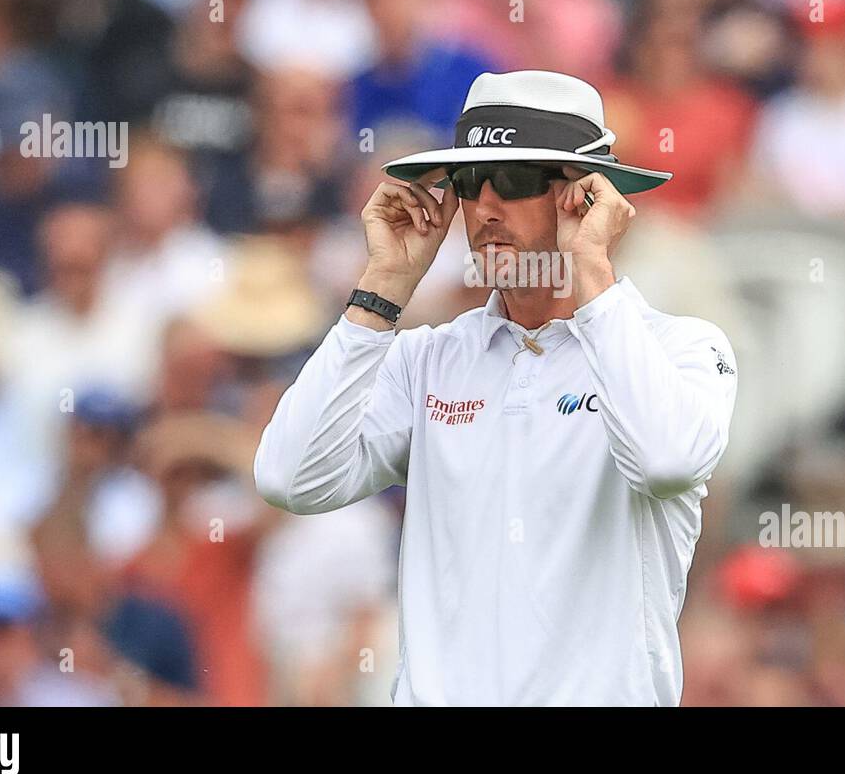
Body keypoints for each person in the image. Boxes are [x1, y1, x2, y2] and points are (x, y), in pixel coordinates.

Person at [254, 70, 739, 705]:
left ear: (584, 195)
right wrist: (384, 288)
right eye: (467, 182)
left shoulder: (684, 348)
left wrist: (591, 270)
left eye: (510, 180)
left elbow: (664, 460)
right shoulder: (427, 358)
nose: (483, 208)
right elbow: (290, 478)